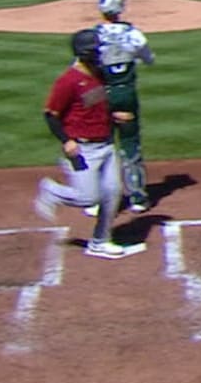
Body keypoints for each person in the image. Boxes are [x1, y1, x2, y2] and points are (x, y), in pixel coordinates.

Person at [32, 29, 147, 260]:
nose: (100, 53)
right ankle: (51, 191)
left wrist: (115, 116)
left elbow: (94, 107)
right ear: (84, 53)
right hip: (83, 149)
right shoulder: (68, 81)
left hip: (105, 145)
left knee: (112, 194)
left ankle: (99, 242)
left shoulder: (98, 75)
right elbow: (51, 114)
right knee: (88, 198)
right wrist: (66, 141)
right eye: (95, 50)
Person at [94, 0, 154, 213]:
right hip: (127, 93)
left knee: (101, 145)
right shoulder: (133, 34)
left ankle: (101, 200)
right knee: (130, 144)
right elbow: (149, 59)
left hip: (101, 95)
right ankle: (137, 196)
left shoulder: (94, 36)